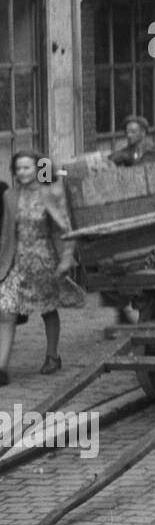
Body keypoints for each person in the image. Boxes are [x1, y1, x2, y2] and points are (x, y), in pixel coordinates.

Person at [0, 151, 75, 383]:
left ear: (38, 168)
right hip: (17, 262)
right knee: (7, 310)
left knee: (47, 309)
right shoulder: (10, 196)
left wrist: (66, 259)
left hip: (44, 260)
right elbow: (6, 232)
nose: (22, 172)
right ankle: (1, 368)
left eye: (27, 167)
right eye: (18, 168)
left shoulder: (50, 192)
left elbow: (64, 228)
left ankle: (52, 356)